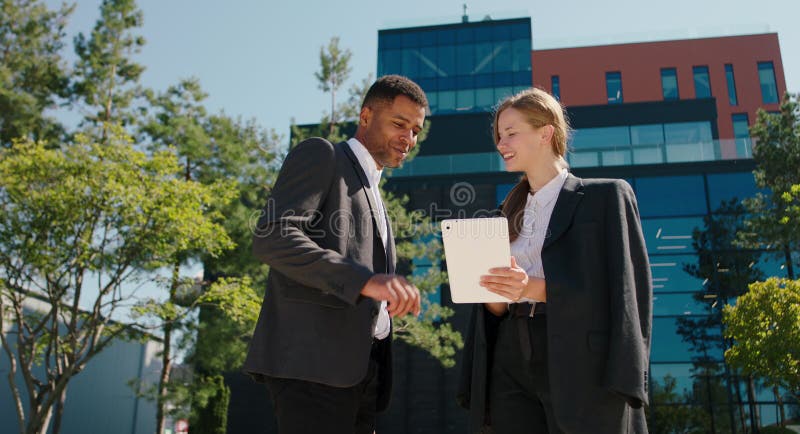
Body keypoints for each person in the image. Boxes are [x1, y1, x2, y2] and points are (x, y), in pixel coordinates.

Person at [457, 87, 652, 433]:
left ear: (546, 132)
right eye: (499, 136)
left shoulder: (606, 197)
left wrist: (531, 287)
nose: (502, 144)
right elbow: (496, 310)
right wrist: (494, 293)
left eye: (511, 133)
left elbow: (625, 293)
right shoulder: (502, 214)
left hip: (579, 358)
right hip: (510, 357)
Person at [244, 75, 427, 434]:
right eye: (399, 124)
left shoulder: (374, 191)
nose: (409, 139)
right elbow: (273, 236)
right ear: (365, 116)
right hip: (313, 369)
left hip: (362, 373)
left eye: (416, 130)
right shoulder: (323, 155)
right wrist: (366, 280)